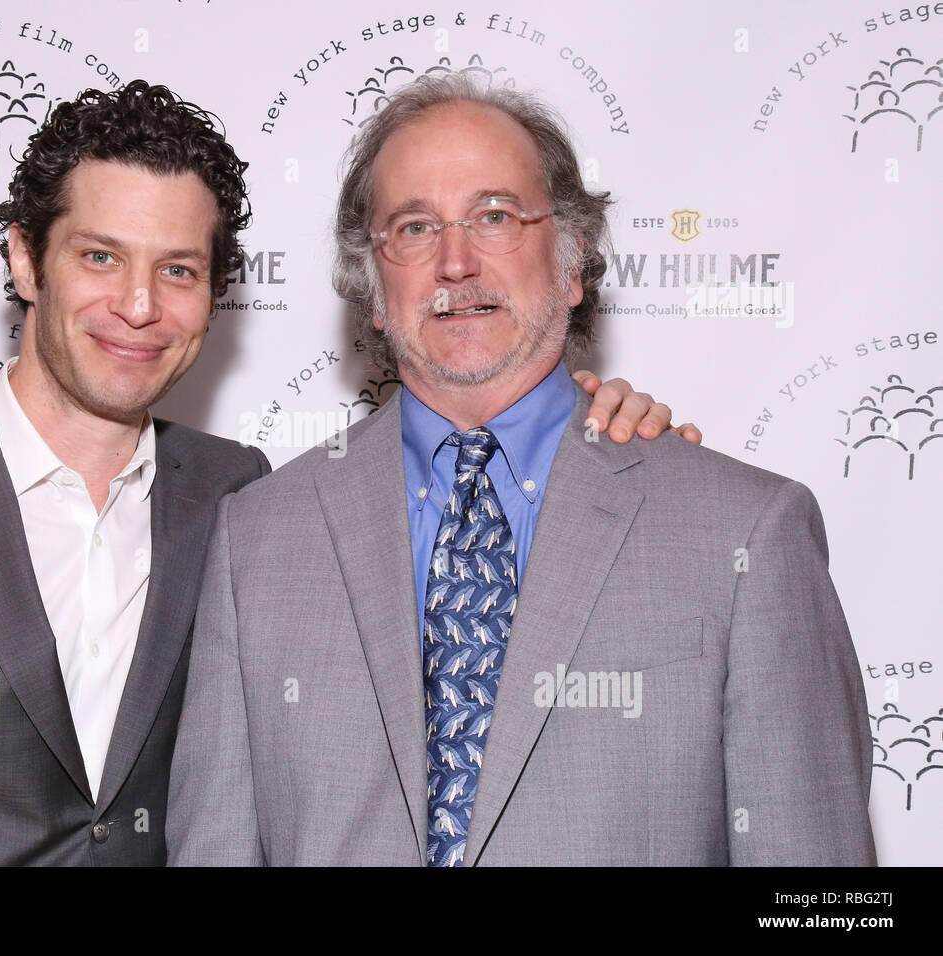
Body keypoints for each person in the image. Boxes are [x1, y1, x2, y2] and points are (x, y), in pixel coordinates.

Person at [0, 81, 687, 866]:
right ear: (26, 260)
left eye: (177, 269)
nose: (138, 305)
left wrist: (595, 432)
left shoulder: (241, 500)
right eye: (99, 257)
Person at [166, 73, 876, 866]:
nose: (456, 262)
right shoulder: (257, 539)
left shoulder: (743, 534)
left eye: (496, 216)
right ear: (374, 289)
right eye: (415, 227)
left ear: (572, 263)